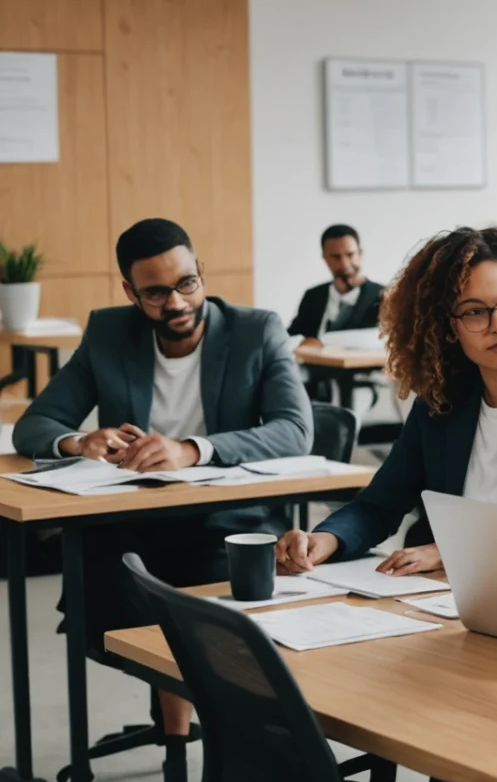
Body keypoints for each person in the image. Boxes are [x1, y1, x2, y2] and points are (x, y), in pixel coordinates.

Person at [14, 218, 313, 735]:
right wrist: (78, 441)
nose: (175, 303)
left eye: (186, 284)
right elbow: (35, 425)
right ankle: (178, 716)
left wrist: (193, 449)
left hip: (227, 516)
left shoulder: (255, 330)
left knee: (200, 595)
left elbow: (295, 430)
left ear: (200, 271)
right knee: (103, 571)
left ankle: (185, 715)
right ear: (130, 291)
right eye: (154, 293)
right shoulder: (108, 332)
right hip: (132, 515)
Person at [274, 225, 497, 586]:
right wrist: (323, 541)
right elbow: (378, 506)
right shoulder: (439, 405)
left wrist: (454, 550)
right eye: (475, 312)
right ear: (448, 328)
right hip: (450, 592)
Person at [287, 223, 384, 345]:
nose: (344, 264)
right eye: (336, 257)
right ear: (325, 259)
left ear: (360, 254)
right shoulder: (313, 296)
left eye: (350, 255)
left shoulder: (383, 296)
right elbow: (292, 336)